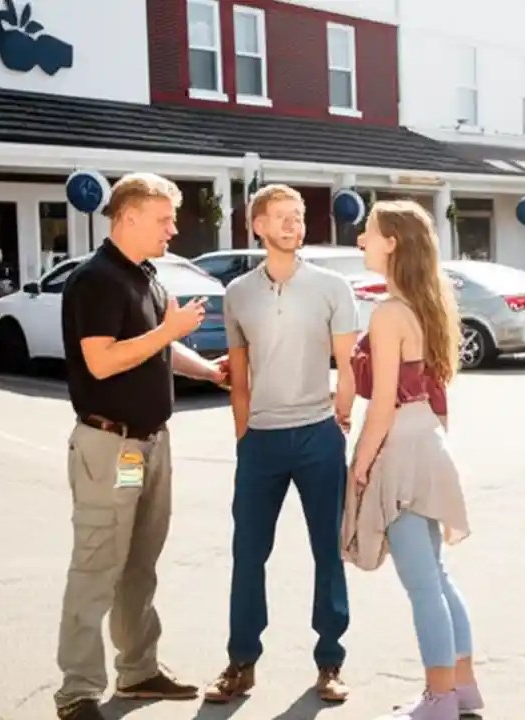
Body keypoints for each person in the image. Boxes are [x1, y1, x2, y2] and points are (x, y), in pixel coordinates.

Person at [54, 172, 228, 720]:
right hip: (112, 448)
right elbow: (102, 360)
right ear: (127, 217)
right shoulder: (96, 280)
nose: (173, 229)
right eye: (163, 219)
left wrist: (210, 371)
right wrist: (170, 330)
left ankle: (137, 670)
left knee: (138, 563)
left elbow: (155, 352)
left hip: (147, 448)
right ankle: (78, 692)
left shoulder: (146, 277)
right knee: (98, 564)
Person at [203, 184, 360, 704]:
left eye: (299, 217)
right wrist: (244, 435)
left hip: (318, 435)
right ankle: (241, 661)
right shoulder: (238, 294)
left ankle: (330, 661)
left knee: (327, 552)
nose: (295, 224)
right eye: (283, 218)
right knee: (248, 553)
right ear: (259, 227)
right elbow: (239, 376)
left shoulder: (333, 287)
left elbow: (347, 365)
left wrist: (338, 420)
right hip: (261, 443)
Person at [340, 200, 479, 720]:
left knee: (423, 584)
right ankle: (462, 690)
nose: (361, 241)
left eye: (368, 233)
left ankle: (439, 699)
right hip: (426, 439)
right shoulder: (426, 303)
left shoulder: (388, 313)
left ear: (392, 242)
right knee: (439, 578)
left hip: (399, 444)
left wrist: (361, 466)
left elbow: (380, 407)